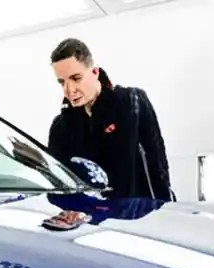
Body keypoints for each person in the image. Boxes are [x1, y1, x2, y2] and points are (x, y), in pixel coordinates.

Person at [47, 38, 174, 201]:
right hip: (89, 220)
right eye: (62, 82)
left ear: (94, 72)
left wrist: (164, 206)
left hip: (138, 214)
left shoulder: (131, 102)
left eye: (76, 78)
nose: (69, 89)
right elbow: (58, 183)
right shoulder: (60, 127)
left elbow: (157, 162)